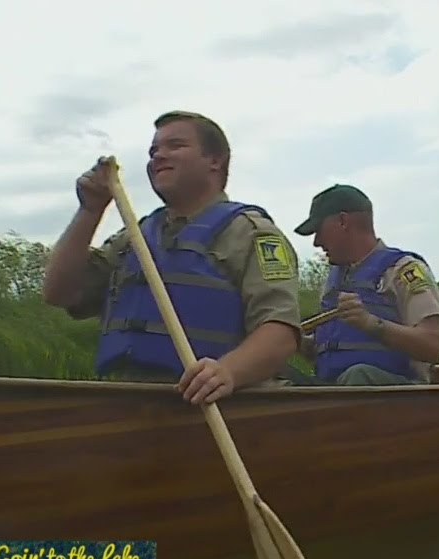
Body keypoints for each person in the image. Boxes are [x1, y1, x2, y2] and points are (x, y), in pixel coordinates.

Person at [41, 110, 302, 405]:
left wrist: (227, 372)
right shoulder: (134, 238)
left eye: (175, 146)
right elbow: (59, 293)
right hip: (131, 403)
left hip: (217, 408)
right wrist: (89, 211)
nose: (158, 157)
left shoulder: (252, 235)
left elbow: (280, 332)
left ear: (215, 161)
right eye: (153, 151)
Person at [291, 184, 439, 385]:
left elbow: (433, 345)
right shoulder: (333, 283)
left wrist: (370, 323)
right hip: (338, 394)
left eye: (318, 231)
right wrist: (298, 342)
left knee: (358, 376)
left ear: (343, 221)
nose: (316, 242)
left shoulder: (402, 270)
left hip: (398, 399)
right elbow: (334, 353)